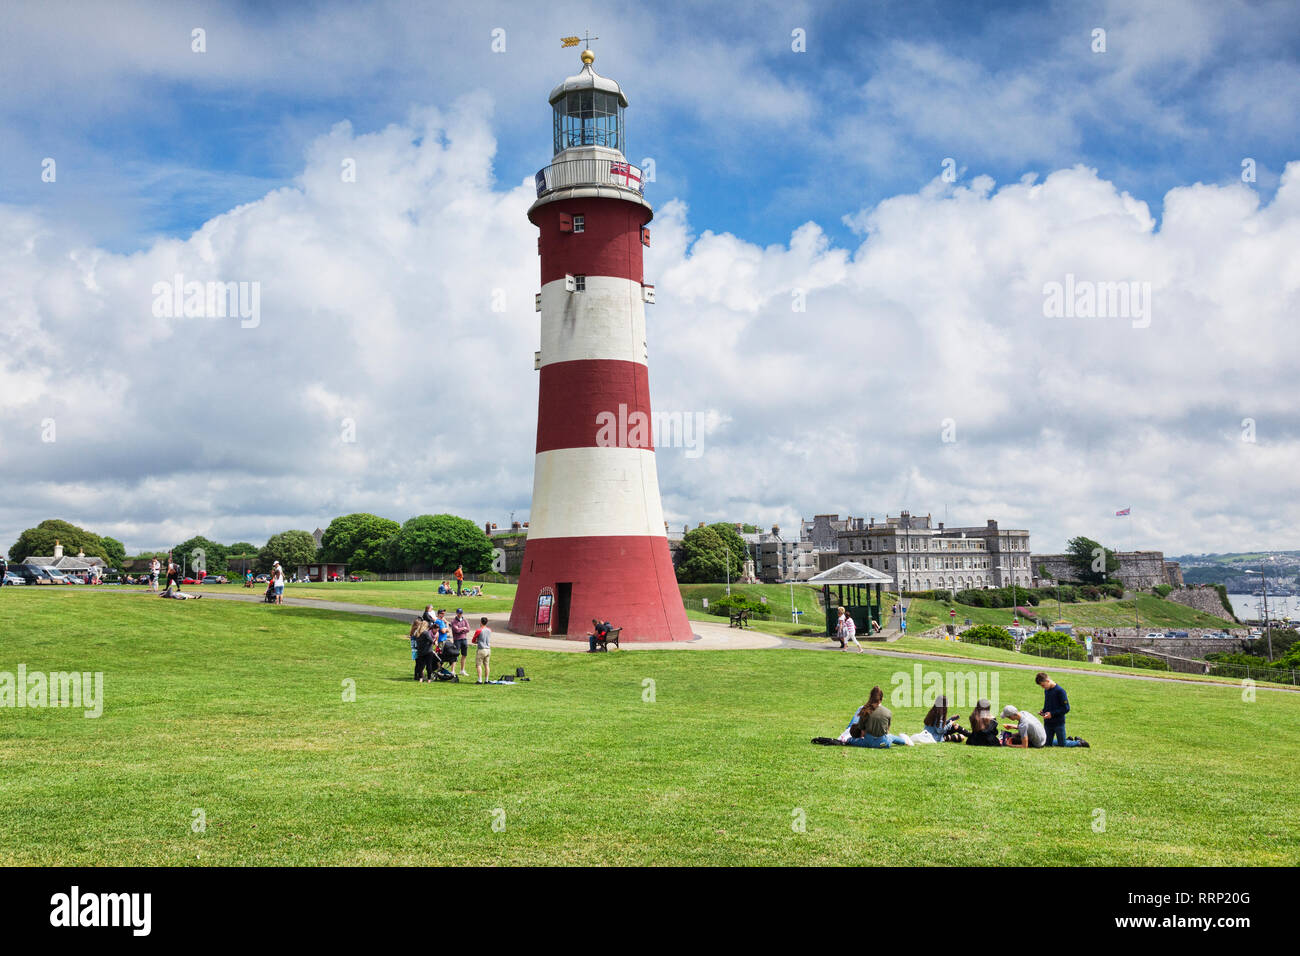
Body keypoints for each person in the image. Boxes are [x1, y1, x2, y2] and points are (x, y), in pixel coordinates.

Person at [819, 686, 912, 748]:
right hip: (884, 743)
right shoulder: (888, 712)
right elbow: (887, 731)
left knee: (851, 740)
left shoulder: (865, 711)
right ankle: (906, 742)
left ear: (870, 697)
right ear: (882, 698)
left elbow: (862, 731)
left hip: (868, 742)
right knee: (891, 737)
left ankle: (843, 738)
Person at [1036, 673, 1088, 747]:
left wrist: (1052, 714)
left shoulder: (1060, 691)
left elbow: (1066, 708)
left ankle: (1079, 743)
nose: (1042, 687)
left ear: (1048, 681)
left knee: (1062, 745)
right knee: (1046, 743)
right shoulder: (1046, 690)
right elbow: (1048, 704)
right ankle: (1068, 740)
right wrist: (1043, 711)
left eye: (1043, 685)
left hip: (1058, 722)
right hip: (1048, 723)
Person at [450, 609, 471, 677]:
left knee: (464, 655)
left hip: (464, 639)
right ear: (456, 613)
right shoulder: (454, 621)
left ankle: (462, 670)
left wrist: (461, 629)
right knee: (455, 655)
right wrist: (463, 628)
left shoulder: (465, 620)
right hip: (457, 640)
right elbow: (456, 630)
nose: (460, 614)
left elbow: (468, 629)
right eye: (459, 613)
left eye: (461, 613)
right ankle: (452, 670)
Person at [473, 616, 492, 683]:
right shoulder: (489, 630)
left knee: (478, 665)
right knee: (486, 665)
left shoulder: (479, 630)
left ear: (481, 622)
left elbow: (473, 640)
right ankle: (486, 680)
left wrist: (477, 641)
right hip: (488, 649)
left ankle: (480, 680)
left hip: (481, 649)